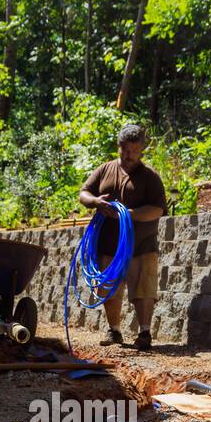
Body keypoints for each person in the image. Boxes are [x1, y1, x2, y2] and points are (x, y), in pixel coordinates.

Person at [78, 123, 167, 351]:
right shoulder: (104, 170)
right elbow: (84, 193)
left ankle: (145, 332)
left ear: (141, 150)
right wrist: (96, 202)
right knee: (109, 286)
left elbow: (157, 209)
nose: (130, 156)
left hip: (142, 244)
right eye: (126, 150)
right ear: (119, 146)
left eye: (135, 151)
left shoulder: (150, 177)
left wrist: (129, 214)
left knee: (144, 287)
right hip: (109, 244)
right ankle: (114, 330)